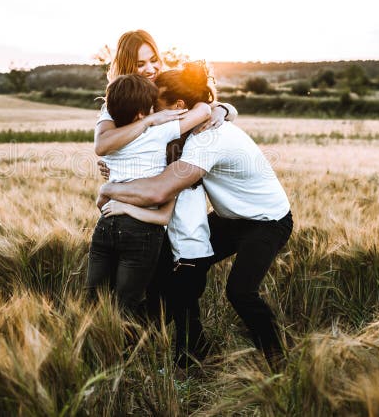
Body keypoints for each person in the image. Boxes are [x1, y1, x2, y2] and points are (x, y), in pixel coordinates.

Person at [98, 98, 293, 367]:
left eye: (161, 105)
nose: (156, 112)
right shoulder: (188, 131)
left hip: (267, 220)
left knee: (240, 291)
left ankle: (279, 359)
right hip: (230, 219)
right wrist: (122, 165)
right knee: (174, 264)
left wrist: (108, 190)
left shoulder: (205, 138)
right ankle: (185, 347)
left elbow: (160, 190)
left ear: (181, 105)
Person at [99, 62, 215, 370]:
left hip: (182, 236)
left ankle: (184, 363)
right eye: (140, 63)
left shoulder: (178, 140)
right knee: (164, 303)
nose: (151, 110)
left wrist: (221, 108)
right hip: (159, 233)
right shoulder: (156, 131)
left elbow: (202, 110)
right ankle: (171, 361)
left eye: (156, 102)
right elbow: (106, 147)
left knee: (178, 303)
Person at [94, 29, 237, 158]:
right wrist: (149, 121)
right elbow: (102, 145)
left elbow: (224, 109)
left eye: (154, 60)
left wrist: (221, 110)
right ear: (127, 65)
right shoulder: (120, 100)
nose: (150, 69)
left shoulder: (165, 85)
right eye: (140, 64)